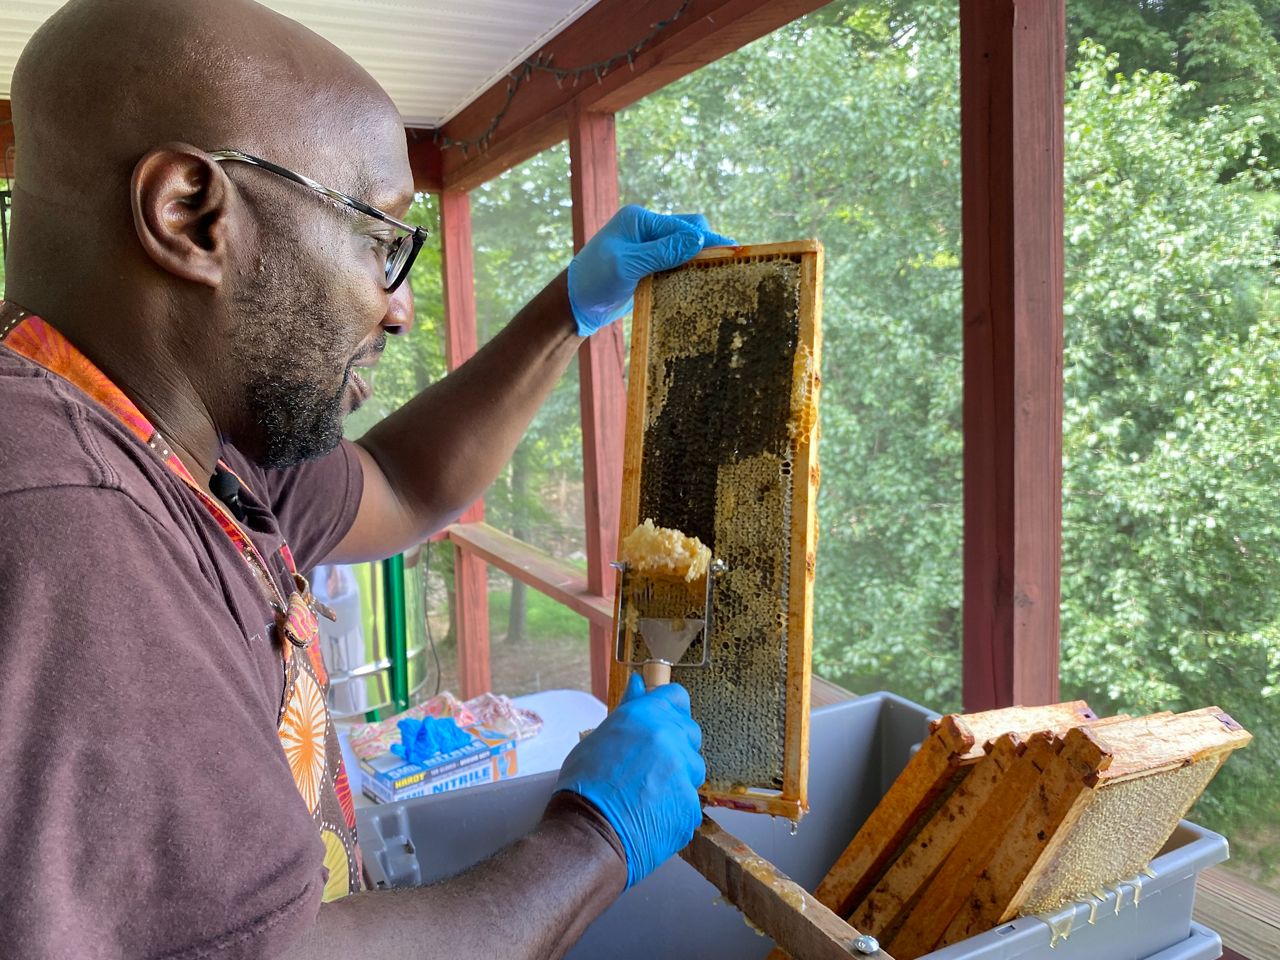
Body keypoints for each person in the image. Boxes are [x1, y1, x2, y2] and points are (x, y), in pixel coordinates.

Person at [0, 0, 734, 957]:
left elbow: (399, 483)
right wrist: (594, 839)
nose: (401, 310)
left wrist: (569, 309)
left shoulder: (179, 441)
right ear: (191, 214)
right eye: (381, 241)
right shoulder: (66, 520)